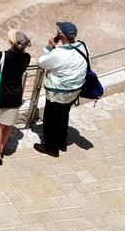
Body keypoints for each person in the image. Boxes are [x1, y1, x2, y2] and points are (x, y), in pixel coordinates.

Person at [34, 21, 89, 157]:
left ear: (61, 36)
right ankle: (61, 142)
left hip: (58, 93)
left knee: (50, 119)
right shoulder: (83, 46)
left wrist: (49, 46)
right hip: (75, 90)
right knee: (63, 115)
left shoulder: (59, 53)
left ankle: (51, 148)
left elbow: (42, 62)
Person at [0, 30, 32, 165]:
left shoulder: (2, 55)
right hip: (15, 95)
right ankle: (0, 149)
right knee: (8, 125)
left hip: (0, 94)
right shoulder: (27, 58)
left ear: (12, 42)